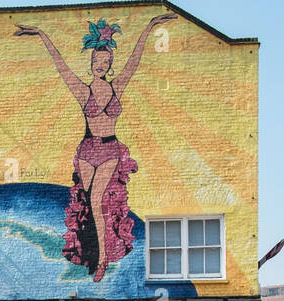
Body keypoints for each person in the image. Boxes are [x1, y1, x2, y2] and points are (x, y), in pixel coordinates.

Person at [16, 13, 176, 281]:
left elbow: (134, 62)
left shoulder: (117, 87)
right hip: (88, 151)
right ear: (90, 64)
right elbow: (61, 66)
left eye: (105, 61)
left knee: (96, 199)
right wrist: (41, 34)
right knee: (87, 208)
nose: (100, 64)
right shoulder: (83, 91)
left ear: (110, 64)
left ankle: (102, 260)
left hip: (110, 150)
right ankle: (89, 254)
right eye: (96, 61)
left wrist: (148, 26)